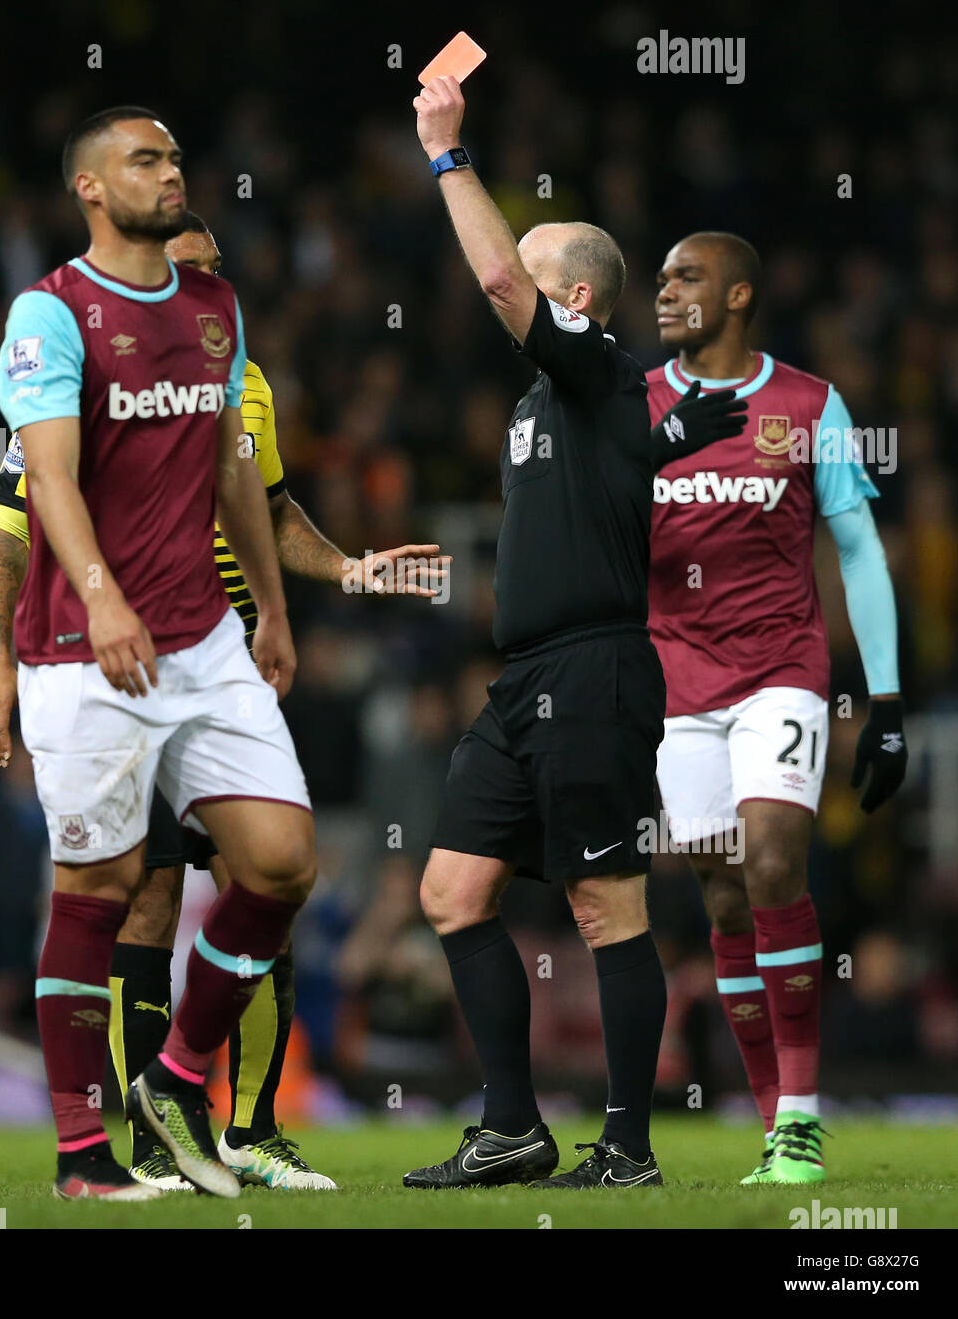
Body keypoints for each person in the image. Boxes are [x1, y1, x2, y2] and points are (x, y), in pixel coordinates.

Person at [0, 199, 448, 1192]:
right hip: (106, 660)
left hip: (212, 662)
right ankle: (139, 1138)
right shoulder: (79, 355)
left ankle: (248, 1128)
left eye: (208, 264)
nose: (192, 279)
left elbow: (267, 509)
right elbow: (12, 530)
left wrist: (347, 574)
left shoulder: (243, 377)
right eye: (178, 258)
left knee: (269, 874)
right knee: (139, 900)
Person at [0, 105, 316, 1200]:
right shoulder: (50, 312)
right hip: (84, 649)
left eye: (175, 155)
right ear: (89, 186)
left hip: (204, 637)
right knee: (100, 883)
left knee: (280, 864)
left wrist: (270, 607)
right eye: (145, 158)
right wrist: (101, 597)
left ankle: (177, 1079)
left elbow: (234, 469)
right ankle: (85, 1157)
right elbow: (49, 481)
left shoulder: (216, 305)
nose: (170, 171)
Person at [402, 76, 668, 1190]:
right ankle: (511, 1126)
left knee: (605, 906)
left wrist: (448, 156)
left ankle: (629, 1146)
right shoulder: (534, 405)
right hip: (527, 683)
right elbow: (511, 275)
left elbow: (500, 271)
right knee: (452, 892)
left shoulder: (604, 376)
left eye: (534, 267)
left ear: (579, 301)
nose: (506, 280)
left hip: (599, 668)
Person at [647, 230, 908, 1183]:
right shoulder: (637, 408)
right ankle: (769, 1124)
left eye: (687, 277)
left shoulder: (807, 406)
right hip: (676, 683)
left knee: (770, 860)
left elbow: (861, 550)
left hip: (779, 672)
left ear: (741, 294)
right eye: (663, 278)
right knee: (720, 890)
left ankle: (802, 1115)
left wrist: (884, 700)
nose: (667, 291)